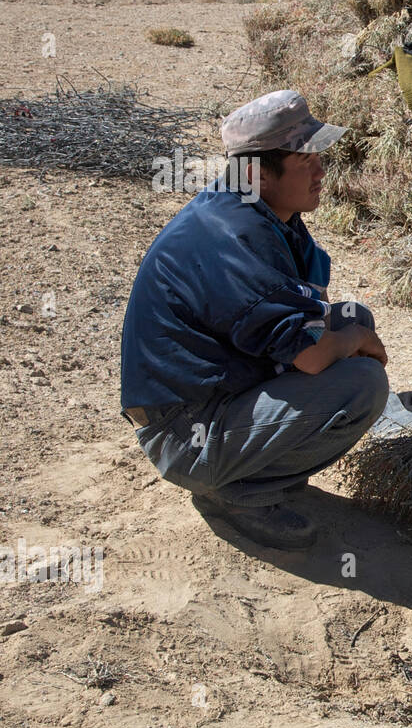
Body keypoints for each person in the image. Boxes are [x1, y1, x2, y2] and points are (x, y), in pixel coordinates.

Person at [120, 90, 389, 550]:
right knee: (361, 383)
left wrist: (350, 329)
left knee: (349, 318)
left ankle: (251, 465)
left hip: (216, 395)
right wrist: (358, 339)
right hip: (185, 432)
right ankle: (238, 494)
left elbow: (312, 299)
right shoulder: (233, 235)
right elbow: (309, 357)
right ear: (256, 172)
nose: (321, 170)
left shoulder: (264, 211)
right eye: (306, 160)